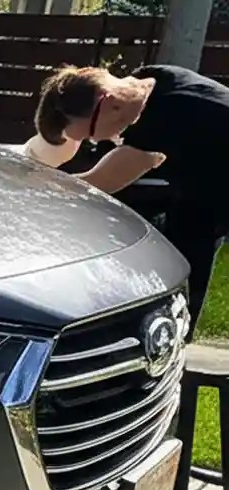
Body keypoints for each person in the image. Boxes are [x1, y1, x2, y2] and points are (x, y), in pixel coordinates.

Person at [31, 63, 229, 324]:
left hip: (214, 190)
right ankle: (172, 332)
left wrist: (32, 187)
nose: (99, 141)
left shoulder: (166, 119)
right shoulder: (155, 77)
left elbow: (94, 185)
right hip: (205, 193)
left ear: (109, 103)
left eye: (91, 135)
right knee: (184, 243)